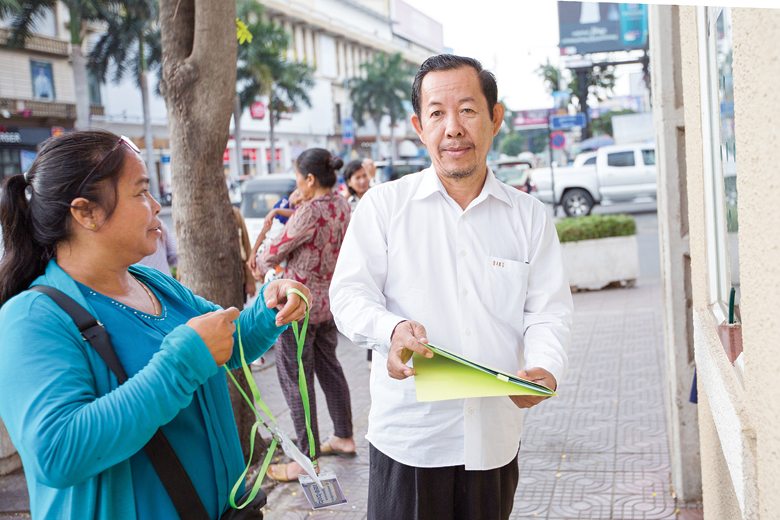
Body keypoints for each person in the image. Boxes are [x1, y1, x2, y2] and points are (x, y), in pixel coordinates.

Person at [0, 129, 310, 520]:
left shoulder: (152, 282)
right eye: (140, 192)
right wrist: (182, 363)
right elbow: (58, 453)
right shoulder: (33, 317)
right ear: (86, 212)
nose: (155, 205)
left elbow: (224, 344)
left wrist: (269, 308)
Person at [329, 54, 574, 520]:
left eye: (467, 109)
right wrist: (392, 329)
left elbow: (548, 312)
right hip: (410, 440)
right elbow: (348, 296)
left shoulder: (528, 218)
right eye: (438, 114)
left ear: (494, 118)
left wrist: (545, 367)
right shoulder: (384, 207)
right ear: (420, 127)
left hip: (494, 437)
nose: (453, 128)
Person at [256, 148, 355, 482]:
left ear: (310, 179)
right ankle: (343, 435)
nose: (296, 182)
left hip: (296, 308)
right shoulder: (341, 204)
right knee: (331, 371)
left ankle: (305, 460)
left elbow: (270, 254)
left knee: (296, 381)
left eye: (298, 176)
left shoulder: (309, 212)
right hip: (328, 304)